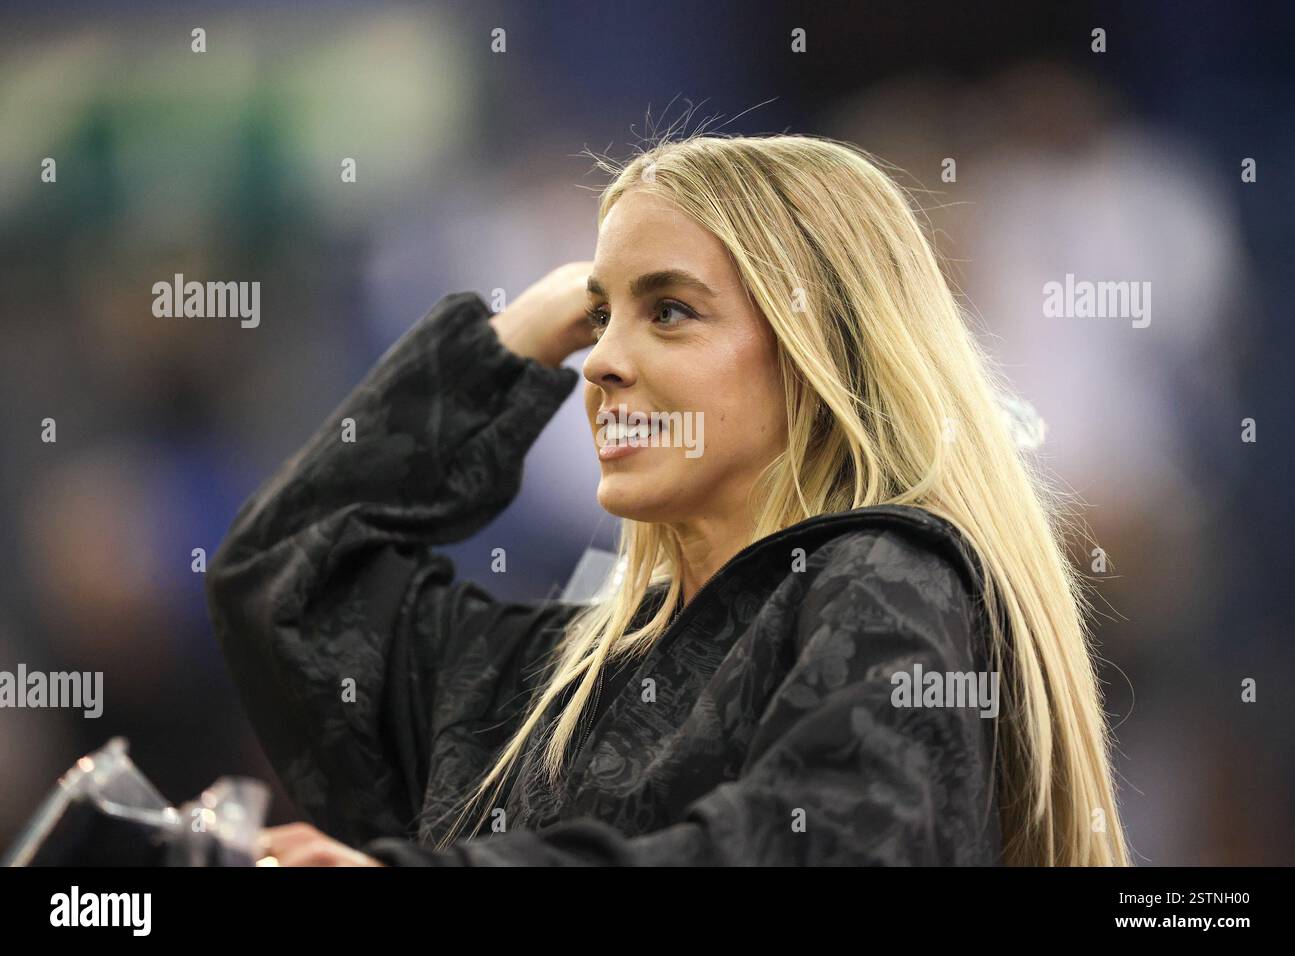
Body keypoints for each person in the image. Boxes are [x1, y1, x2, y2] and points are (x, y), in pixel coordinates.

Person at [208, 133, 1130, 866]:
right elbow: (285, 580)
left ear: (821, 351)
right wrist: (516, 336)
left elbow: (824, 846)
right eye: (599, 317)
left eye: (671, 311)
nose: (600, 362)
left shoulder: (885, 577)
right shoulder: (547, 683)